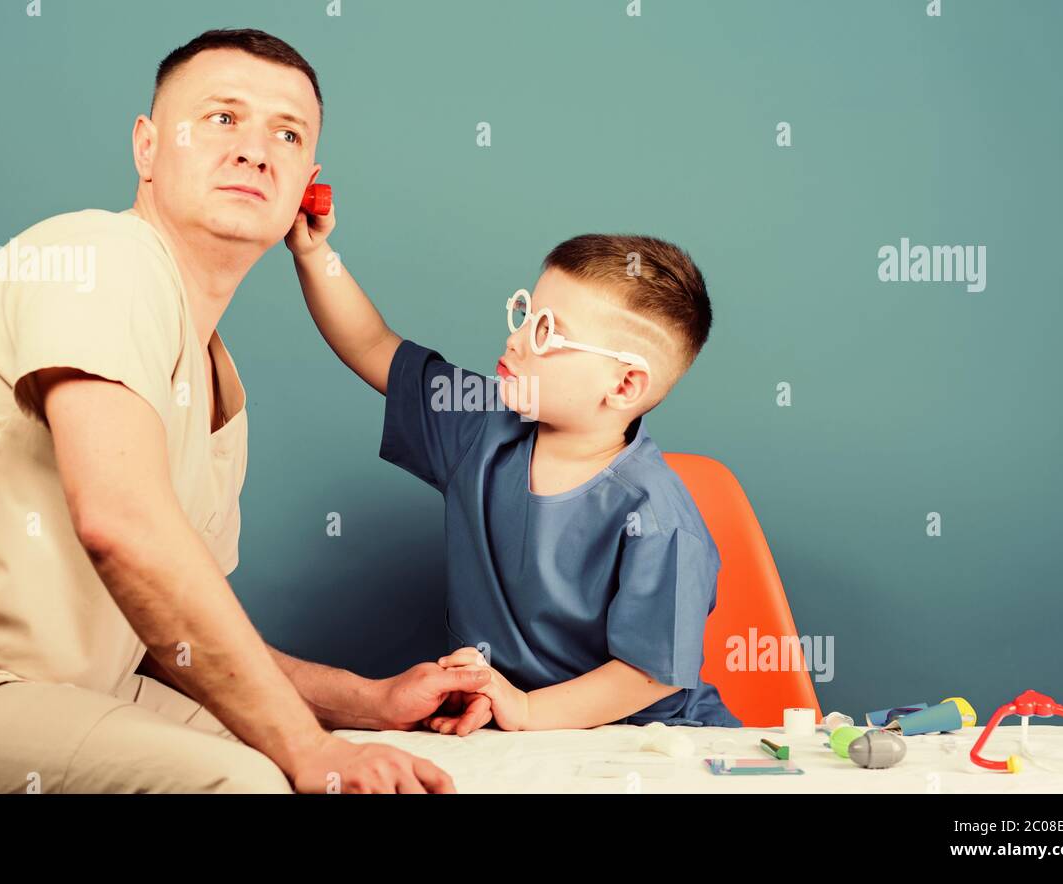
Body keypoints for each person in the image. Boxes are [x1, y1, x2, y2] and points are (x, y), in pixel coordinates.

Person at [0, 28, 489, 795]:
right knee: (253, 783)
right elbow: (120, 524)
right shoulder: (99, 257)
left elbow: (164, 642)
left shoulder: (213, 372)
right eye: (222, 119)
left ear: (306, 185)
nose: (255, 150)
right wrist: (315, 754)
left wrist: (366, 704)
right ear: (147, 147)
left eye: (286, 133)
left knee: (324, 756)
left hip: (74, 695)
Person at [287, 201, 743, 735]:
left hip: (647, 742)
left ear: (623, 386)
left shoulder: (661, 518)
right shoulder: (479, 428)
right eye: (526, 314)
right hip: (508, 729)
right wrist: (316, 253)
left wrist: (528, 711)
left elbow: (649, 675)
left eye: (547, 332)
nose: (516, 339)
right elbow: (372, 345)